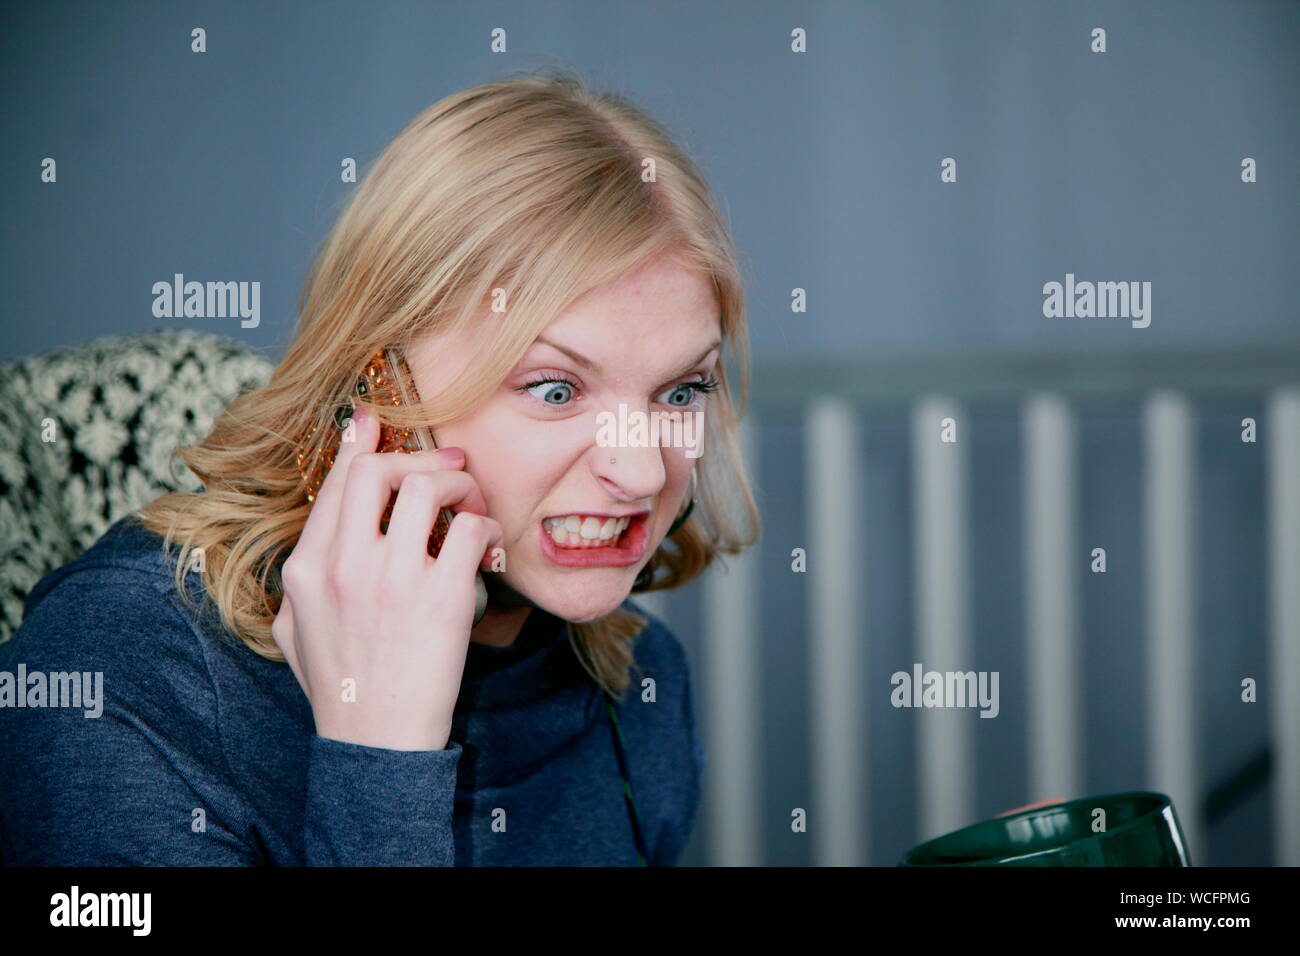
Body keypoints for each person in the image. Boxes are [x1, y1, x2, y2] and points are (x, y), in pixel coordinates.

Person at [0, 69, 759, 865]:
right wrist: (380, 756)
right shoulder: (120, 673)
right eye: (555, 388)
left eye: (683, 388)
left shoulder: (639, 685)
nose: (641, 474)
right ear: (377, 378)